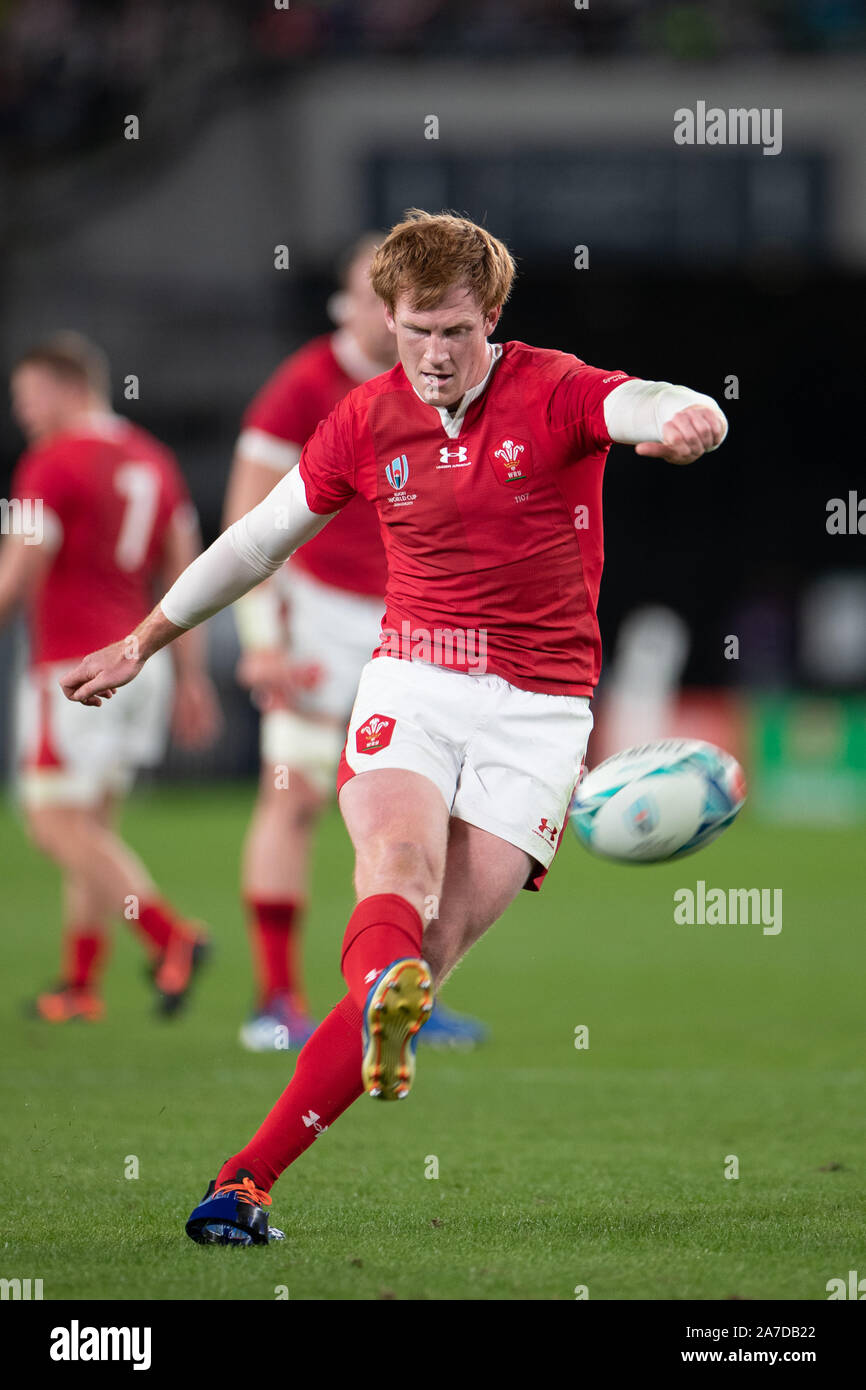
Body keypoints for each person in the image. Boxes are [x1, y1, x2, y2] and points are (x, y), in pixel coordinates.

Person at [60, 212, 728, 1245]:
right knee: (396, 866)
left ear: (490, 319)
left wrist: (689, 417)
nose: (432, 354)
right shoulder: (363, 418)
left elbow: (641, 401)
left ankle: (302, 1101)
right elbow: (255, 541)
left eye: (454, 331)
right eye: (414, 330)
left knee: (428, 954)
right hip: (412, 678)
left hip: (539, 717)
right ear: (387, 319)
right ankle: (247, 1178)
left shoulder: (552, 388)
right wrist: (146, 638)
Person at [224, 233, 487, 1051]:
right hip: (320, 615)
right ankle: (275, 1000)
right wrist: (261, 637)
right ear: (365, 302)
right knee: (293, 795)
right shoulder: (306, 384)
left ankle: (410, 984)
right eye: (398, 298)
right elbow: (248, 517)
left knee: (431, 813)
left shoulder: (456, 382)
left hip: (419, 621)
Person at [0, 332, 220, 1020]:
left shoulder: (51, 464)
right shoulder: (153, 460)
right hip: (137, 663)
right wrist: (190, 675)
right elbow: (187, 571)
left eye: (32, 397)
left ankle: (171, 936)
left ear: (70, 387)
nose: (24, 413)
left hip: (70, 670)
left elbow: (19, 572)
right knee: (92, 826)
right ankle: (81, 983)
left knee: (51, 824)